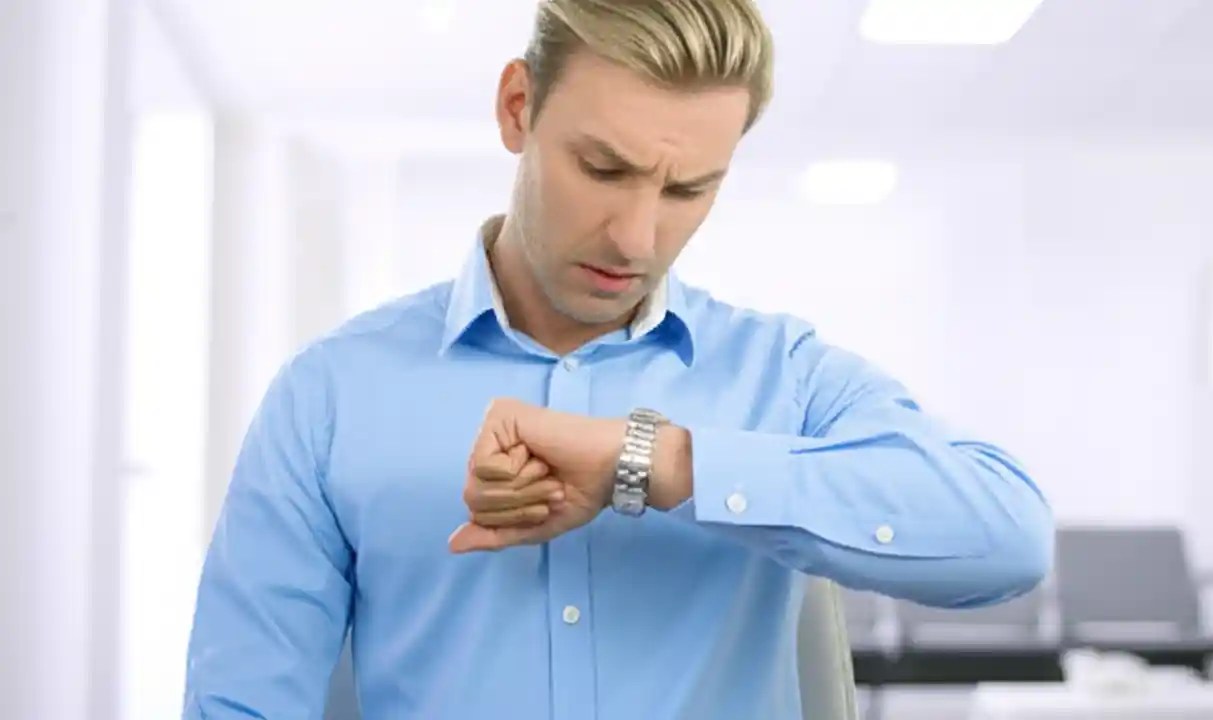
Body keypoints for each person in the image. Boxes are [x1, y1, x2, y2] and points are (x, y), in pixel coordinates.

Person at [183, 0, 1054, 718]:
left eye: (688, 190)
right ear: (518, 107)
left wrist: (660, 463)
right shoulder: (331, 396)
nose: (636, 238)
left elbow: (1007, 535)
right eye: (603, 169)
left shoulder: (782, 376)